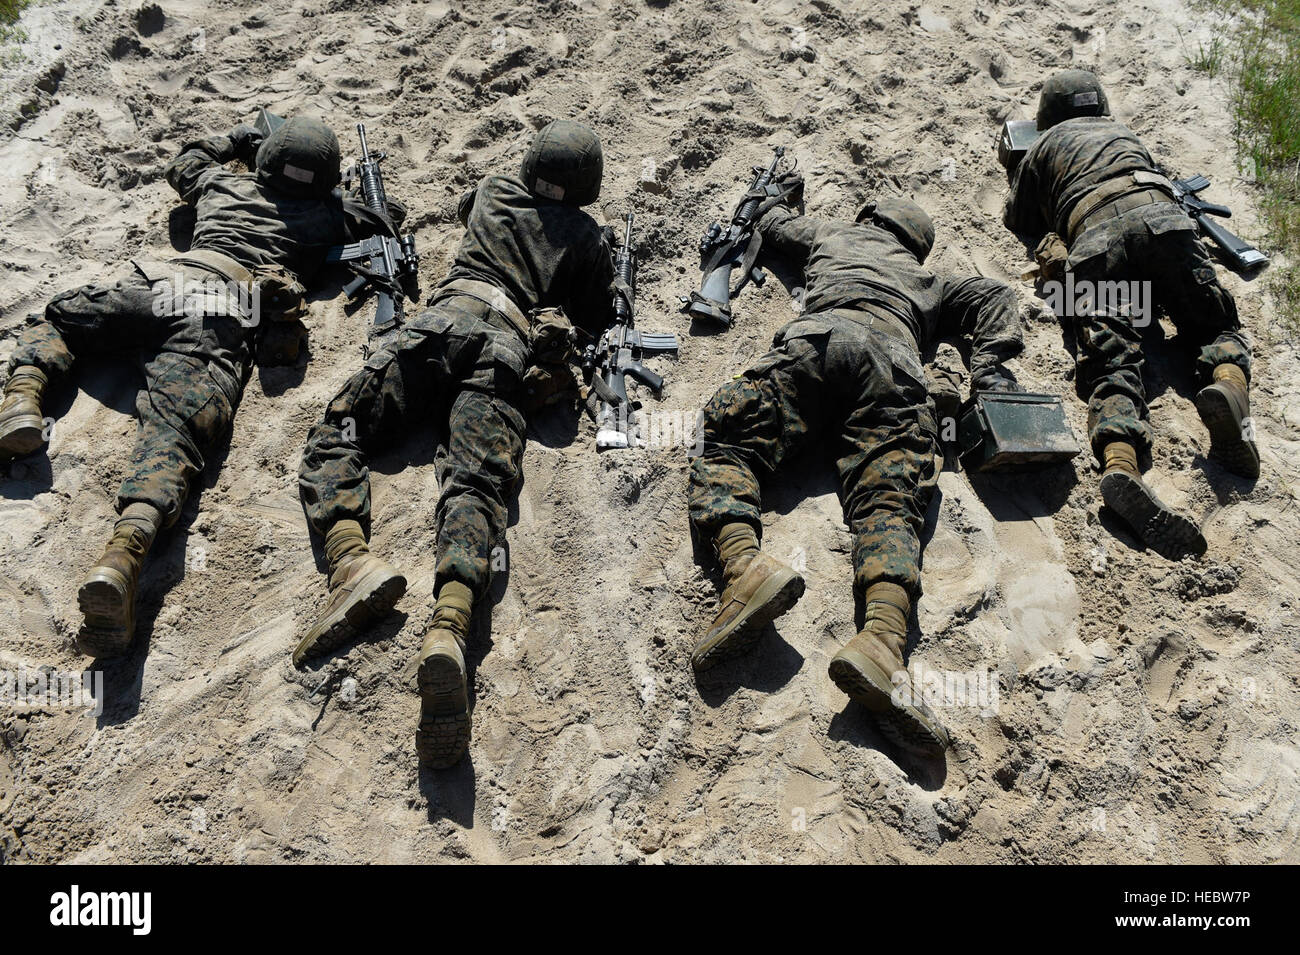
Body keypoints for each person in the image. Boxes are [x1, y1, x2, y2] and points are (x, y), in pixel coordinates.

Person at [296, 119, 615, 768]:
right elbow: (600, 311)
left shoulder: (496, 189)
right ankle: (449, 620)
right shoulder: (585, 236)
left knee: (341, 430)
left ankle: (350, 560)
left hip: (441, 322)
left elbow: (468, 205)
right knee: (476, 485)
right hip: (504, 346)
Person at [0, 115, 357, 657]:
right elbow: (380, 221)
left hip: (162, 284)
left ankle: (25, 396)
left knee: (62, 316)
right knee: (175, 433)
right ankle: (124, 551)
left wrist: (239, 137)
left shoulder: (223, 184)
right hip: (219, 312)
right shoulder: (330, 218)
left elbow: (185, 162)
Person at [687, 189, 1025, 756]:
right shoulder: (930, 282)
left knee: (727, 438)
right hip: (894, 369)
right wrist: (988, 371)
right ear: (915, 248)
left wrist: (772, 201)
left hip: (818, 345)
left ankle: (743, 568)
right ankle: (883, 642)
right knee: (891, 502)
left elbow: (770, 224)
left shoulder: (833, 235)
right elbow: (994, 297)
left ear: (870, 219)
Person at [1004, 69, 1258, 559]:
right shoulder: (1124, 133)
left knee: (1112, 364)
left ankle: (1121, 463)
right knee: (1212, 324)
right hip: (1164, 221)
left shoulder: (1042, 147)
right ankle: (1229, 385)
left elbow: (1019, 218)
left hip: (1095, 238)